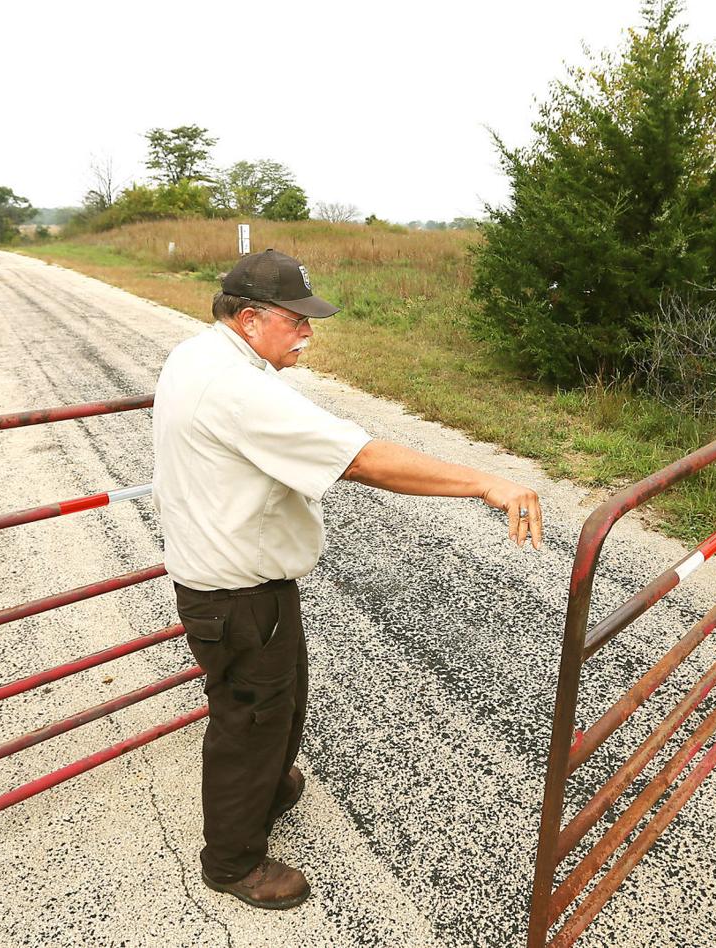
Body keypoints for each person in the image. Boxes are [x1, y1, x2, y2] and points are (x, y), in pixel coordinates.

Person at [152, 249, 544, 910]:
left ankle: (269, 787)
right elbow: (362, 460)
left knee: (279, 702)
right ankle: (233, 860)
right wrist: (485, 480)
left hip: (241, 581)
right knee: (248, 721)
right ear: (249, 319)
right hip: (235, 591)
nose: (308, 334)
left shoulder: (201, 355)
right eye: (295, 321)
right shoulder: (238, 390)